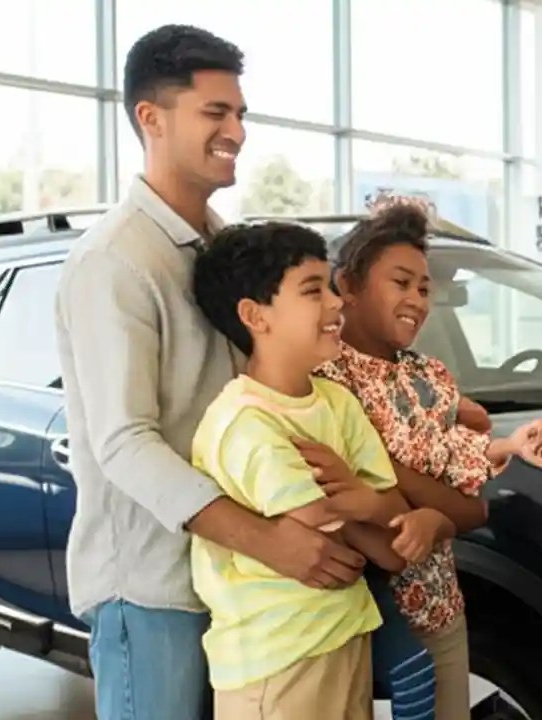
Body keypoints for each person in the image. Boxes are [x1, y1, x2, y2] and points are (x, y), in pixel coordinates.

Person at [53, 25, 365, 720]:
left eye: (241, 114)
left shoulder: (223, 247)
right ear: (151, 118)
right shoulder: (115, 260)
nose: (237, 132)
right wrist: (271, 541)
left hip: (240, 586)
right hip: (153, 587)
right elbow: (124, 442)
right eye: (215, 113)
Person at [316, 195, 542, 718]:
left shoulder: (429, 375)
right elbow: (368, 488)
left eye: (423, 286)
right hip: (358, 615)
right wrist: (435, 506)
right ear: (347, 286)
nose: (417, 298)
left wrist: (512, 444)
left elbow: (458, 474)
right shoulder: (325, 378)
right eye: (400, 282)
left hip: (440, 605)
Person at [189, 221, 443, 719]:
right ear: (254, 316)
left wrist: (362, 502)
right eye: (312, 290)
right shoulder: (246, 422)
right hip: (279, 661)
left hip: (343, 636)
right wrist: (369, 509)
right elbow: (372, 544)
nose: (335, 303)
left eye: (330, 286)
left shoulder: (335, 402)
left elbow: (386, 540)